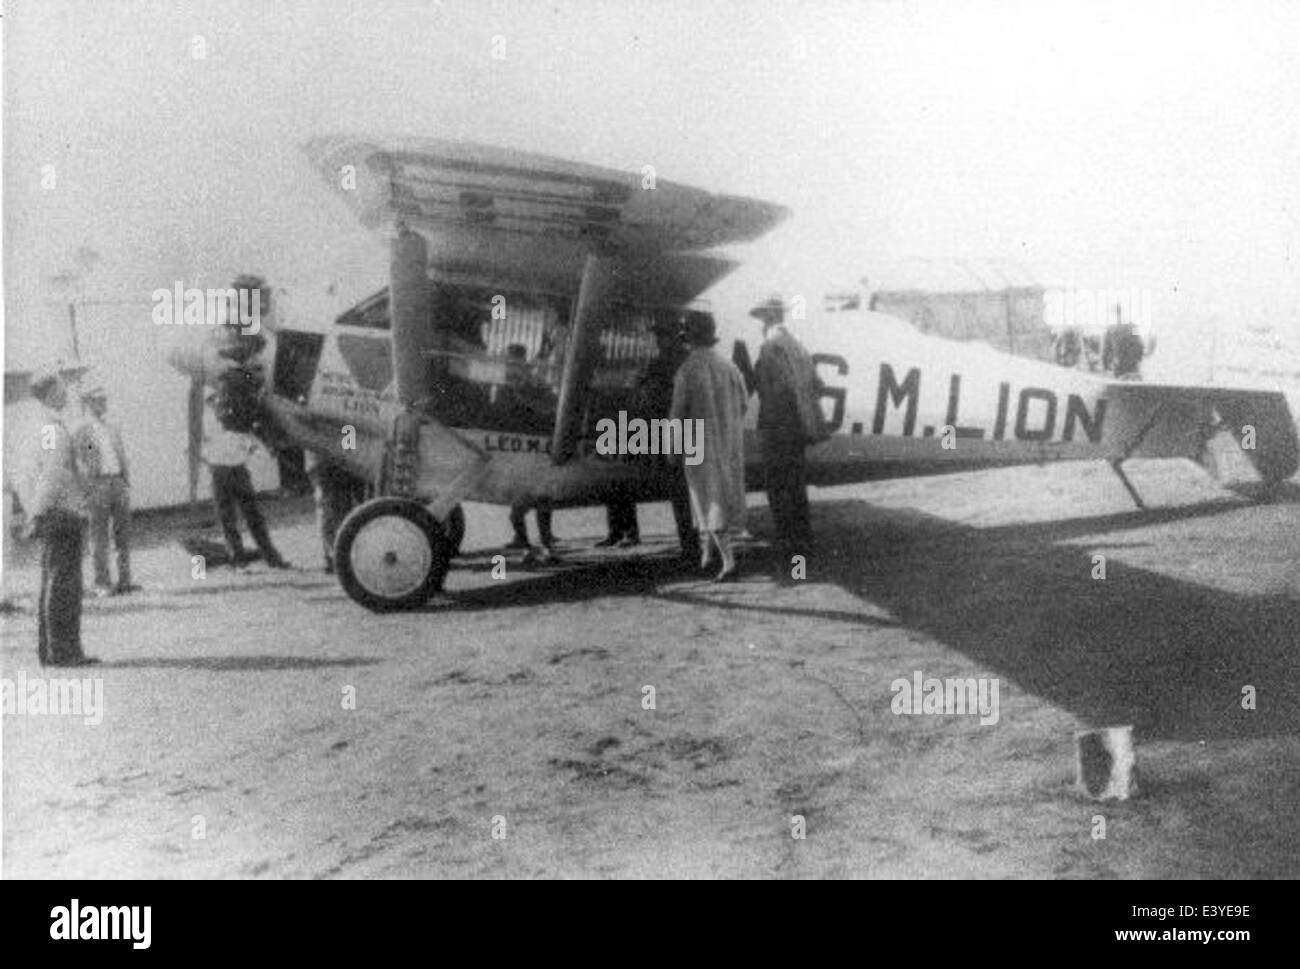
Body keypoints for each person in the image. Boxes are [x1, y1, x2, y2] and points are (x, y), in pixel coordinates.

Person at [19, 370, 97, 666]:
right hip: (60, 512)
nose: (66, 394)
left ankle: (50, 652)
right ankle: (64, 651)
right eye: (62, 388)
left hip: (53, 510)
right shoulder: (50, 427)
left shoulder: (39, 424)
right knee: (64, 583)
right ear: (51, 391)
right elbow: (51, 473)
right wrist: (38, 512)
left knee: (54, 581)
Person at [670, 312, 748, 582]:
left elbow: (677, 415)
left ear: (688, 338)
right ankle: (708, 554)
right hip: (728, 441)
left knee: (708, 502)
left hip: (699, 443)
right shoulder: (730, 367)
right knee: (718, 498)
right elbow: (744, 405)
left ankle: (728, 561)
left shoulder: (687, 370)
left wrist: (673, 449)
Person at [750, 294, 824, 562]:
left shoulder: (770, 346)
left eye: (761, 319)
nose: (760, 325)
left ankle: (789, 545)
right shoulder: (798, 346)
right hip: (799, 427)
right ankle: (803, 542)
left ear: (769, 318)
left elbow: (772, 388)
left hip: (778, 427)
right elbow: (818, 384)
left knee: (778, 487)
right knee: (796, 486)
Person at [203, 391, 290, 569]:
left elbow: (252, 442)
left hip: (238, 470)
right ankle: (239, 561)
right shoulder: (208, 425)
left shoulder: (237, 421)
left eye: (220, 402)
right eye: (215, 403)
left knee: (253, 517)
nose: (219, 406)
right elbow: (196, 447)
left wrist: (245, 454)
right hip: (219, 472)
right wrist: (210, 462)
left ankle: (271, 558)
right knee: (228, 519)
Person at [73, 385, 137, 596]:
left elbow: (121, 454)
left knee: (123, 534)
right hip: (97, 484)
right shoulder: (82, 429)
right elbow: (79, 461)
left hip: (117, 482)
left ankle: (125, 580)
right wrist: (86, 488)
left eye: (104, 399)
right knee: (99, 536)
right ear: (88, 402)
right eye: (98, 400)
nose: (103, 403)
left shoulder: (112, 426)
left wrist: (125, 481)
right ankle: (102, 583)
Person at [306, 451, 368, 573]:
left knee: (340, 510)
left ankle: (338, 555)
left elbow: (348, 435)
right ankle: (334, 556)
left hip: (339, 461)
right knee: (330, 509)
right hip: (326, 461)